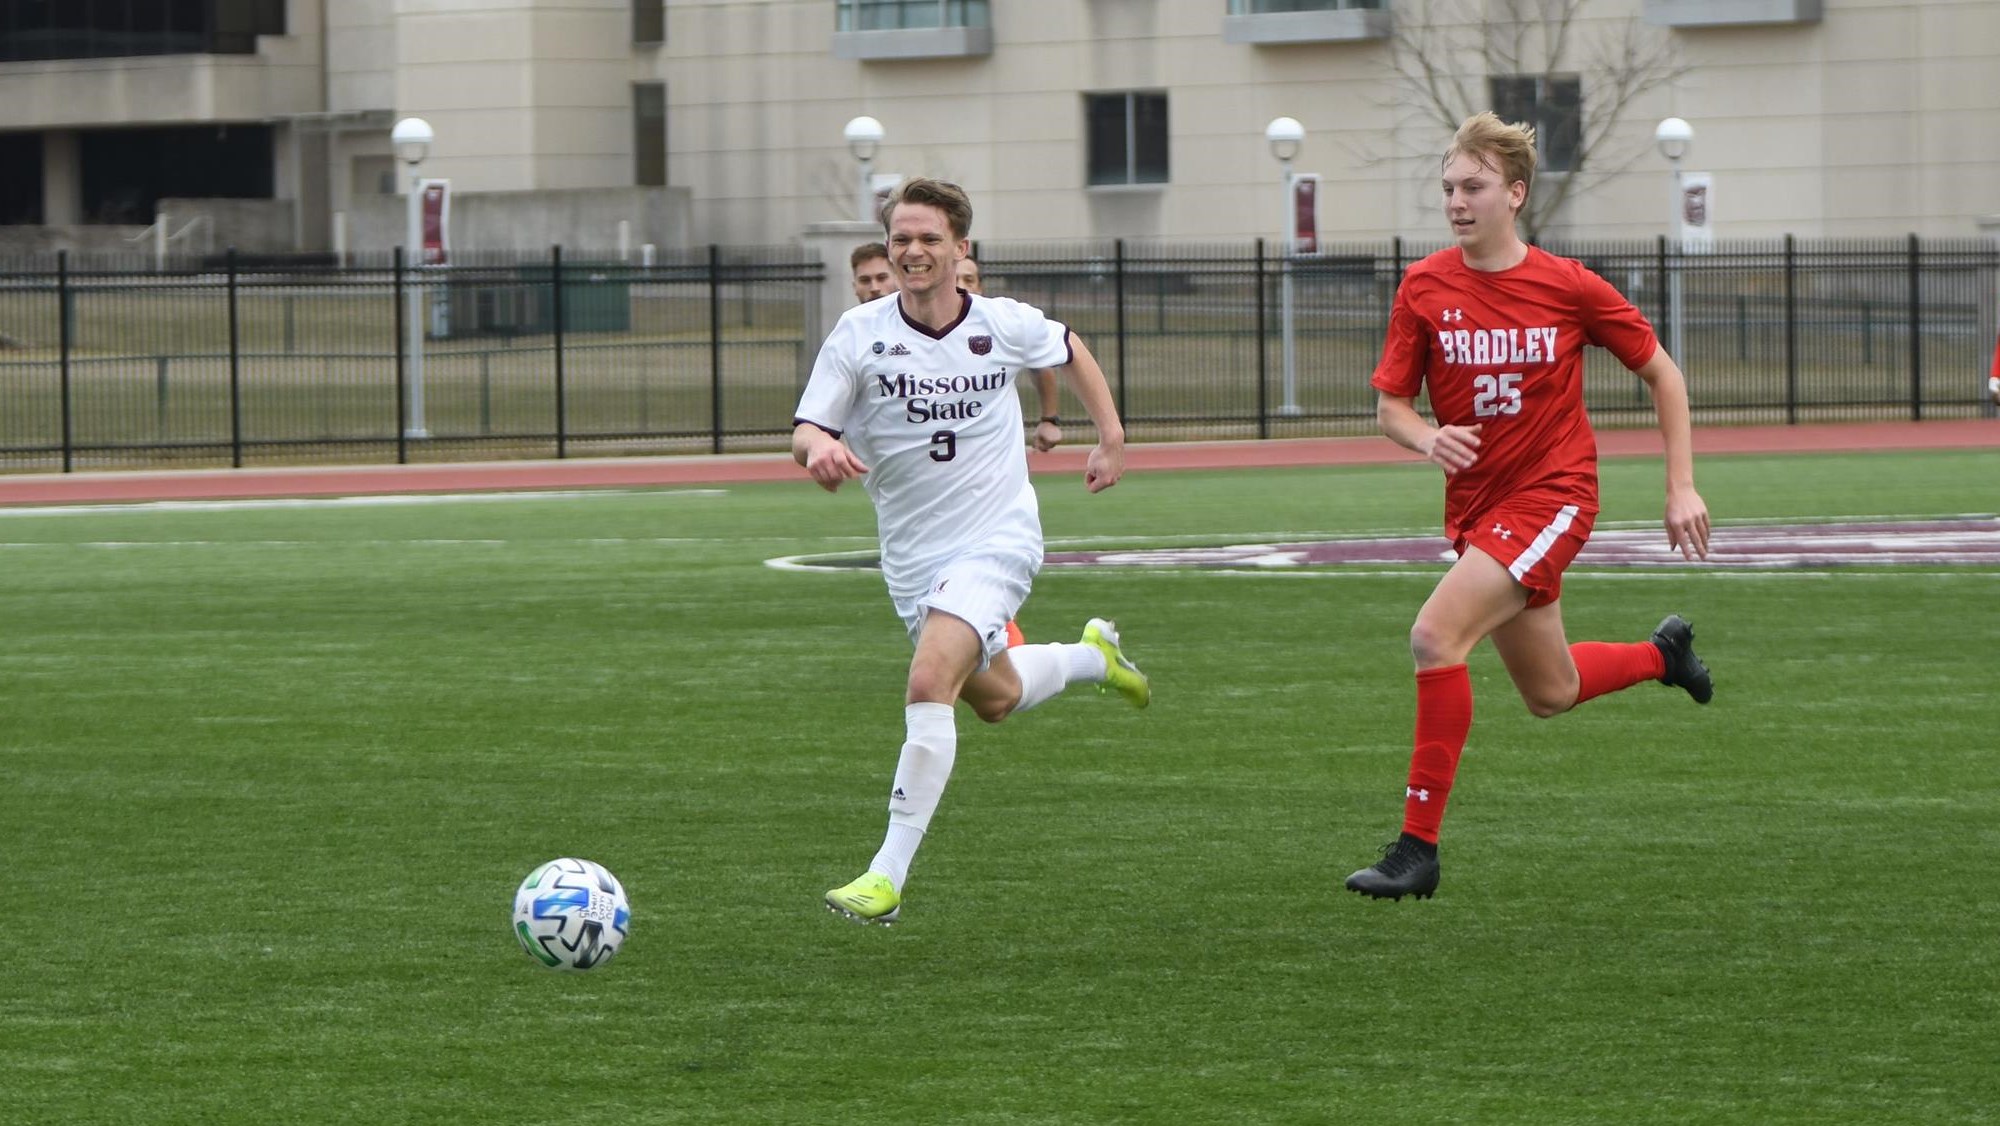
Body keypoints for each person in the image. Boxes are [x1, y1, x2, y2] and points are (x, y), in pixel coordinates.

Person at [1344, 111, 1715, 902]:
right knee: (1551, 692)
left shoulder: (1568, 284)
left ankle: (1418, 848)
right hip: (1479, 512)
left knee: (1434, 637)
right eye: (1447, 187)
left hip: (1554, 494)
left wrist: (1679, 485)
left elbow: (1665, 375)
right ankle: (1664, 656)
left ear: (1514, 194)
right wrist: (1427, 438)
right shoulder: (1424, 287)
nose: (1456, 201)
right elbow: (1389, 408)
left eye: (1473, 186)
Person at [793, 177, 1151, 926]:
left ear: (962, 249)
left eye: (929, 239)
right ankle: (1095, 657)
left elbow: (1071, 347)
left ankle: (885, 876)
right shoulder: (858, 335)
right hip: (914, 560)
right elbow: (807, 428)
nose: (913, 251)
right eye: (901, 240)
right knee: (994, 698)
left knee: (929, 681)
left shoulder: (1001, 323)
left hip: (998, 539)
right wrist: (819, 448)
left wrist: (1110, 436)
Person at [956, 256, 1065, 454]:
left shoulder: (1001, 324)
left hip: (995, 456)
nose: (961, 286)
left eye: (968, 280)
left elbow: (1043, 364)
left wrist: (1049, 419)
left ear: (980, 287)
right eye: (954, 279)